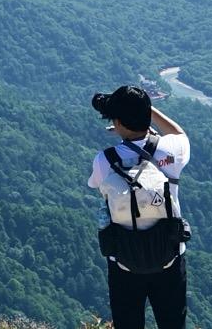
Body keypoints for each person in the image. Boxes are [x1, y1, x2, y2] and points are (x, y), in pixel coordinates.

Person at [87, 85, 190, 329]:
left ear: (118, 123)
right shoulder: (171, 151)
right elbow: (179, 134)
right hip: (169, 256)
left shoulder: (105, 160)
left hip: (124, 260)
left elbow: (97, 186)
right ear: (147, 115)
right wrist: (147, 112)